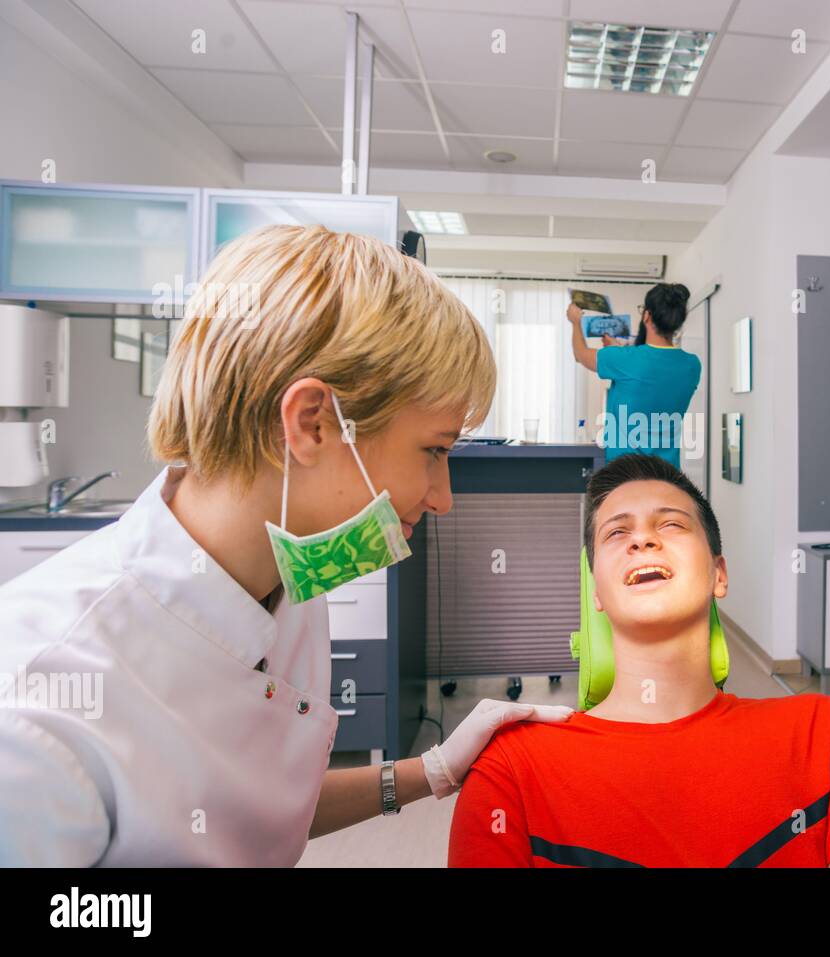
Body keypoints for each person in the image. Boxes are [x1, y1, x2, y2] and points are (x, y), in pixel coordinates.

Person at [0, 225, 571, 866]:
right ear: (312, 423)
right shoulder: (33, 713)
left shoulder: (289, 581)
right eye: (433, 451)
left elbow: (245, 811)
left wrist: (433, 770)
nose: (442, 497)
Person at [449, 454, 830, 868]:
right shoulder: (511, 765)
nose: (643, 541)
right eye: (617, 532)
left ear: (719, 573)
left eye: (670, 524)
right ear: (595, 592)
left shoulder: (820, 731)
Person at [566, 283, 701, 468]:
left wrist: (575, 322)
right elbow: (652, 372)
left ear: (647, 315)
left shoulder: (625, 360)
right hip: (667, 476)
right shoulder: (692, 365)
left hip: (624, 476)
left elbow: (581, 354)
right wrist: (618, 351)